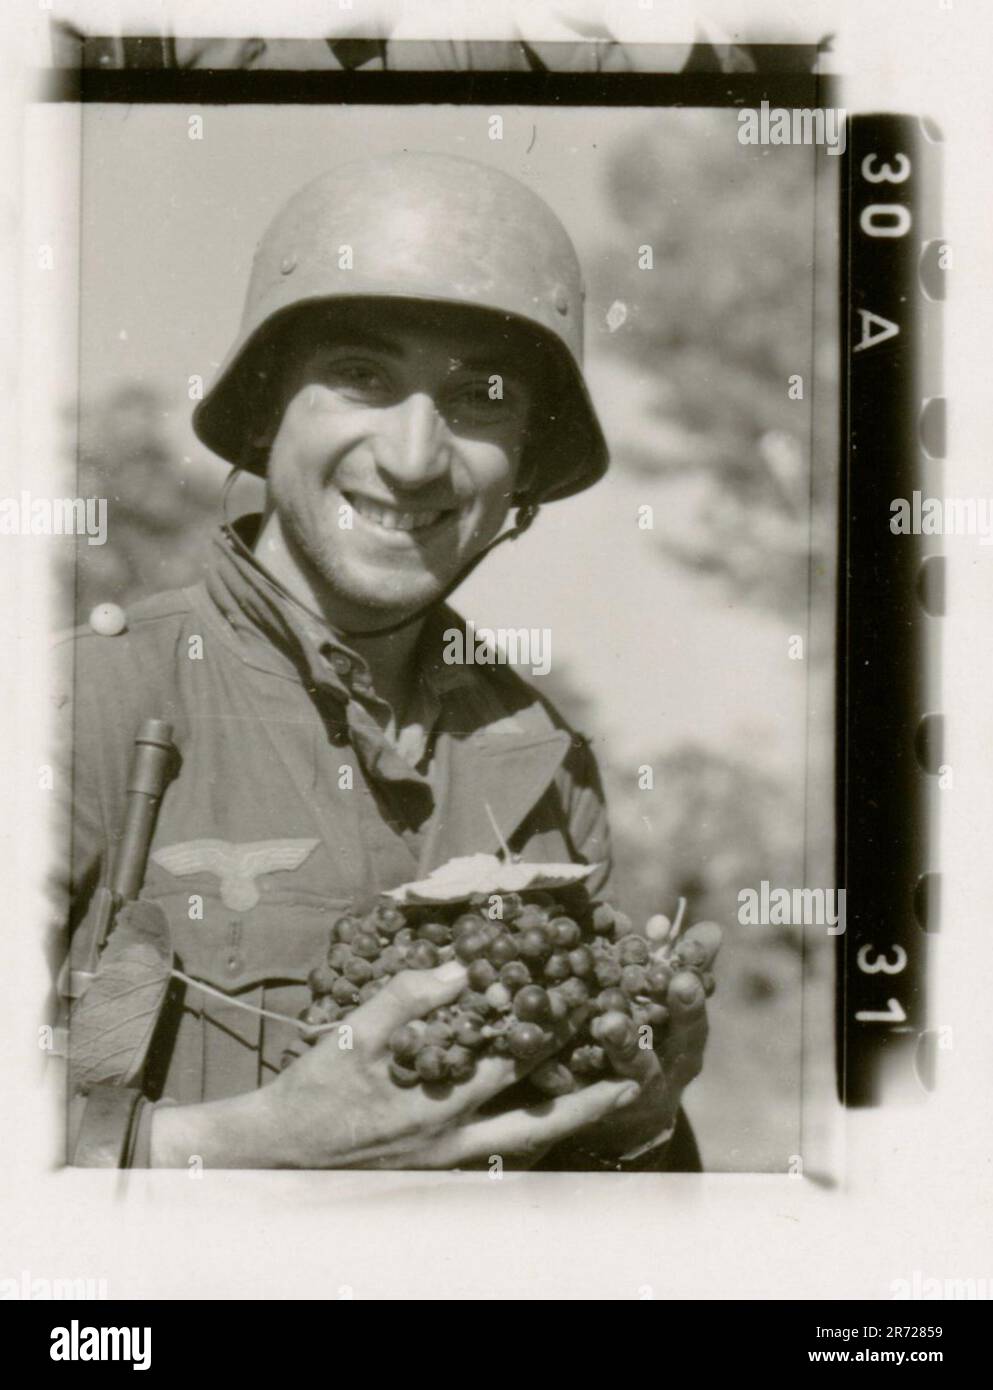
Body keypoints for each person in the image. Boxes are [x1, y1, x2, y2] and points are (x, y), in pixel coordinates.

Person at [56, 152, 720, 1169]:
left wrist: (638, 1118)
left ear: (525, 476)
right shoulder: (83, 704)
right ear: (268, 409)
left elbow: (598, 1225)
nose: (413, 456)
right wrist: (243, 1151)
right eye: (362, 376)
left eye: (479, 398)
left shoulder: (544, 765)